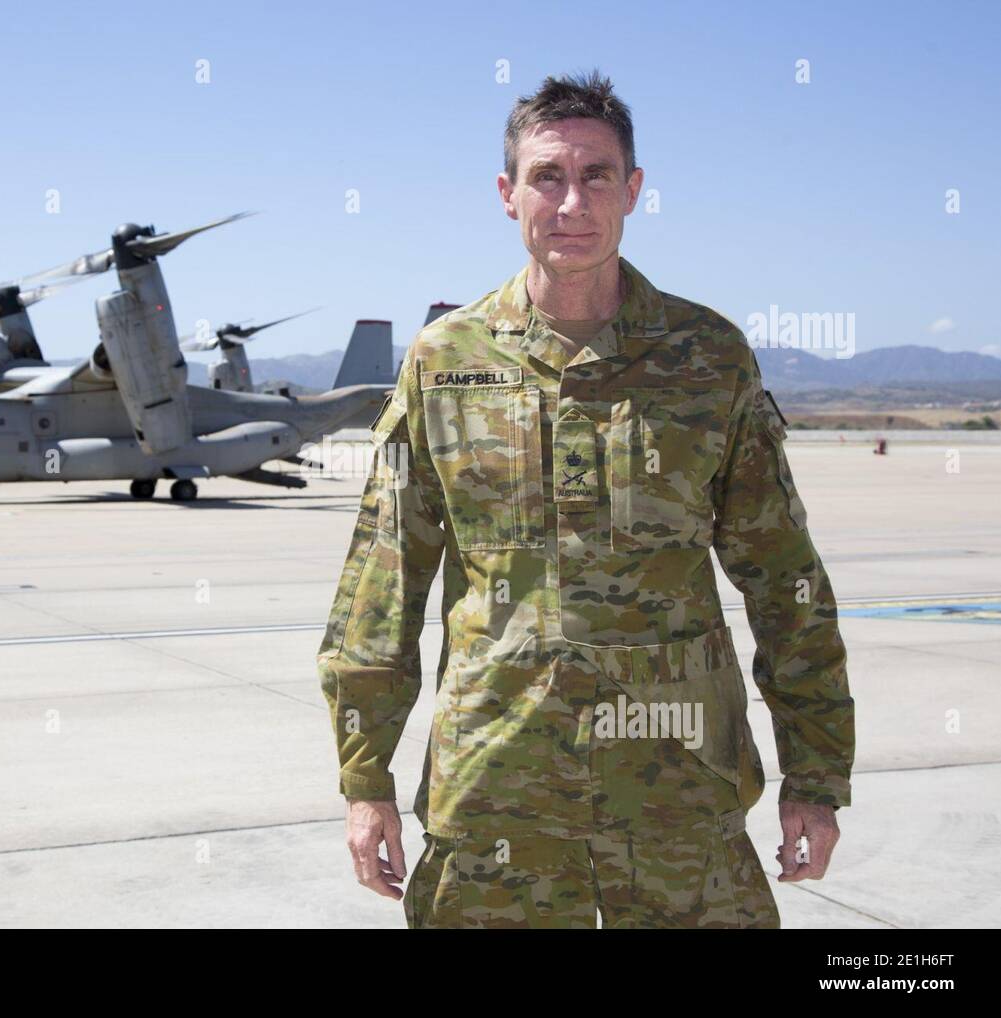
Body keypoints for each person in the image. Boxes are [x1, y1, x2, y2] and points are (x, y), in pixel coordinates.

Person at [317, 71, 855, 929]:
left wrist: (816, 778)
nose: (572, 202)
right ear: (507, 194)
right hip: (496, 798)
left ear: (634, 190)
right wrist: (364, 781)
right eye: (547, 177)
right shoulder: (444, 361)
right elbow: (381, 587)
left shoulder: (707, 357)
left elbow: (785, 581)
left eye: (597, 176)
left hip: (681, 801)